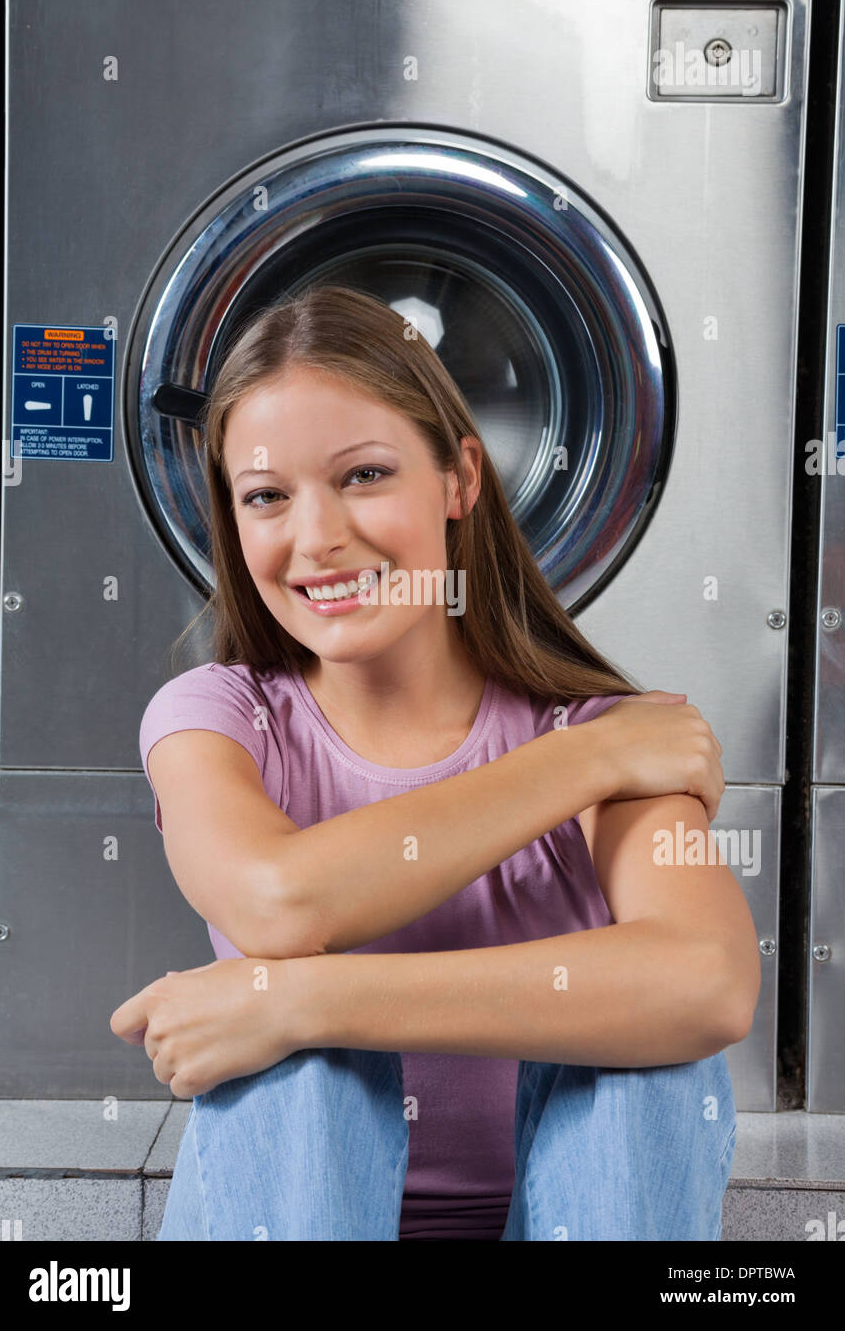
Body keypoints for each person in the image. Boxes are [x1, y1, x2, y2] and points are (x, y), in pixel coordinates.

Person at [110, 285, 760, 1242]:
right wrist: (584, 763)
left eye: (365, 475)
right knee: (301, 1068)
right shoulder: (216, 717)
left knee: (653, 1063)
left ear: (460, 479)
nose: (318, 536)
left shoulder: (607, 734)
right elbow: (277, 903)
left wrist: (300, 1001)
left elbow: (710, 982)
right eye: (266, 497)